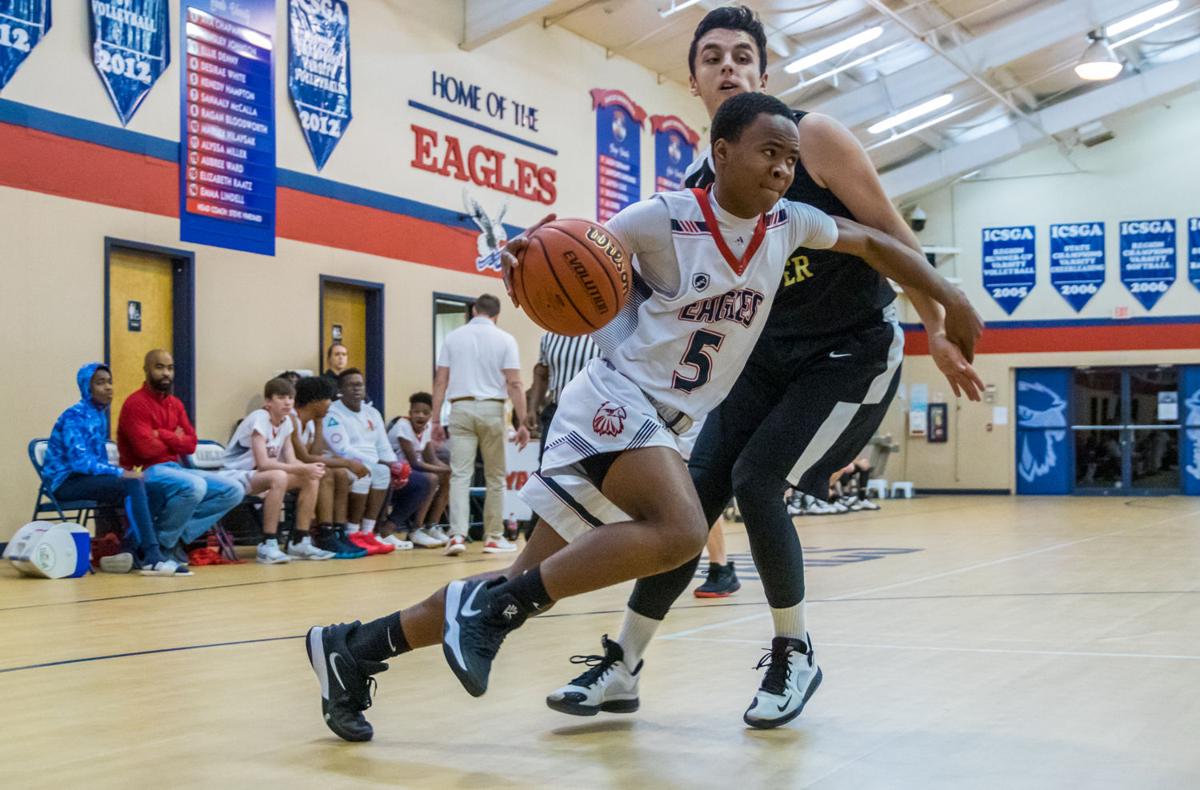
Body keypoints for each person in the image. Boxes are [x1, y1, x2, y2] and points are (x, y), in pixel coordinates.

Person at [304, 91, 982, 743]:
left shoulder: (789, 224)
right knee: (683, 529)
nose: (783, 168)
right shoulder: (665, 216)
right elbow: (578, 244)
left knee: (521, 577)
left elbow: (872, 243)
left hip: (665, 423)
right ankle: (496, 614)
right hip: (615, 403)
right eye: (768, 152)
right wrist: (525, 254)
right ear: (720, 152)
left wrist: (950, 296)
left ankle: (353, 650)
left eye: (790, 158)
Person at [546, 5, 986, 730]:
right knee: (690, 498)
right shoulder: (695, 189)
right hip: (762, 360)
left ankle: (795, 651)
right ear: (692, 79)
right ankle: (621, 665)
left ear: (764, 73)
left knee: (755, 482)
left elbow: (886, 230)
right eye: (712, 55)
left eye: (742, 55)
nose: (727, 66)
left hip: (848, 351)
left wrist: (936, 322)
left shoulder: (810, 136)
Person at [42, 363, 182, 576]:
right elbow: (81, 463)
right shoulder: (75, 416)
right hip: (66, 482)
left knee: (156, 491)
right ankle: (153, 557)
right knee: (132, 482)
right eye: (100, 383)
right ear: (86, 387)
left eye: (110, 382)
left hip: (86, 479)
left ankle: (129, 550)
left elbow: (97, 462)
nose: (108, 388)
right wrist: (120, 473)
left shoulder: (98, 415)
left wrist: (120, 472)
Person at [117, 349, 243, 568]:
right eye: (159, 367)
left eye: (170, 367)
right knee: (194, 486)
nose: (166, 373)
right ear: (146, 369)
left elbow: (191, 444)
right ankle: (165, 546)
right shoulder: (135, 404)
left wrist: (161, 434)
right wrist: (174, 437)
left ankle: (169, 539)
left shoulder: (175, 404)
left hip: (174, 467)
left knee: (234, 490)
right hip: (145, 470)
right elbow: (146, 449)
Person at [429, 294, 530, 556]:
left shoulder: (453, 337)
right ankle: (494, 536)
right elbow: (515, 383)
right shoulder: (506, 339)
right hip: (492, 408)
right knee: (495, 476)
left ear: (474, 310)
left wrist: (435, 419)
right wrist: (523, 422)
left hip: (459, 407)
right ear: (497, 315)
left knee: (460, 474)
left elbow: (440, 380)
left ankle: (457, 536)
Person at [221, 377, 329, 564]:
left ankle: (299, 541)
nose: (287, 402)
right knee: (278, 477)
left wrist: (306, 469)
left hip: (256, 476)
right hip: (232, 475)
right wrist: (303, 467)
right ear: (268, 402)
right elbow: (263, 463)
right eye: (281, 397)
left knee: (310, 478)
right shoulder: (259, 418)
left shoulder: (286, 422)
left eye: (290, 397)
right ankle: (268, 543)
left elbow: (291, 459)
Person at [288, 376, 369, 559]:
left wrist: (318, 424)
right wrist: (348, 462)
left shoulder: (309, 422)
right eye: (328, 400)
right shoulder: (291, 419)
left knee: (340, 473)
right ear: (316, 400)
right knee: (324, 474)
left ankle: (338, 530)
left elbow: (315, 453)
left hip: (295, 468)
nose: (331, 404)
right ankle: (324, 533)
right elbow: (305, 457)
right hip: (278, 468)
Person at [323, 369, 399, 555]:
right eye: (351, 384)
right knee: (366, 472)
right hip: (341, 461)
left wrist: (395, 464)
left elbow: (383, 445)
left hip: (373, 462)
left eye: (360, 384)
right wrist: (377, 462)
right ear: (340, 389)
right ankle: (352, 532)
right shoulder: (333, 413)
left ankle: (367, 531)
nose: (357, 388)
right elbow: (342, 448)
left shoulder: (372, 412)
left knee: (383, 472)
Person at [388, 392, 452, 548]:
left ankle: (431, 526)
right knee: (433, 478)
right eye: (416, 412)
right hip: (394, 472)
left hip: (411, 473)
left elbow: (431, 458)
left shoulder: (427, 428)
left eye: (425, 412)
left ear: (431, 415)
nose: (420, 415)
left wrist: (448, 470)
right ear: (410, 413)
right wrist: (441, 470)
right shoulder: (402, 425)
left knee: (447, 477)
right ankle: (416, 529)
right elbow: (414, 463)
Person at [528, 333, 601, 460]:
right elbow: (542, 375)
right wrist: (532, 409)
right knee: (548, 464)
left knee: (589, 466)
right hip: (557, 411)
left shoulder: (602, 335)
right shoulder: (549, 337)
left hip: (591, 413)